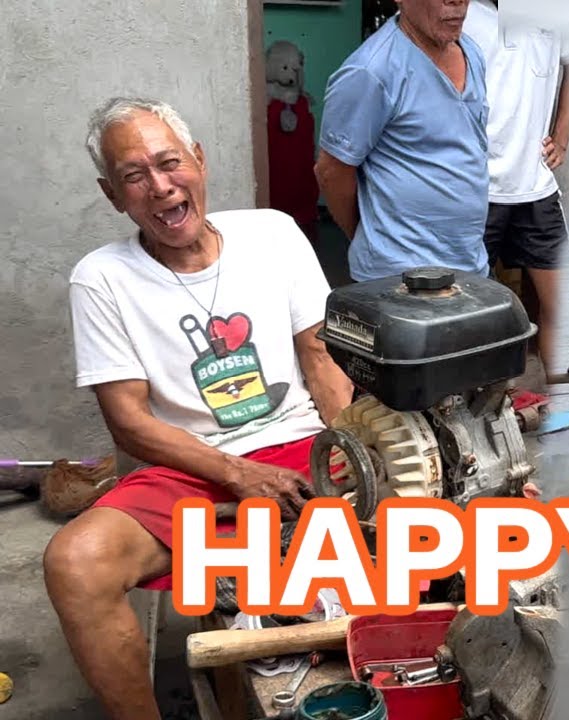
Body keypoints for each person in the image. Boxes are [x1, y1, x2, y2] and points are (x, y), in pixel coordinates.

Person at [46, 97, 356, 720]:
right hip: (191, 468)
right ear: (113, 195)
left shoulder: (273, 232)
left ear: (199, 161)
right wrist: (238, 474)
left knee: (452, 503)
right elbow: (129, 422)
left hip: (301, 444)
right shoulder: (100, 278)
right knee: (75, 562)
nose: (160, 187)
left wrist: (350, 448)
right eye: (134, 175)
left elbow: (321, 361)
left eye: (169, 163)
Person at [315, 0, 490, 283]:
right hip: (401, 280)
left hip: (470, 267)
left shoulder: (471, 52)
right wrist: (371, 237)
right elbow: (331, 172)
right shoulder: (370, 71)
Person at [463, 0, 569, 380]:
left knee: (560, 304)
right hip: (475, 190)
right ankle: (475, 404)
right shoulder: (462, 14)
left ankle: (562, 403)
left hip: (536, 188)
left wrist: (561, 135)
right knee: (467, 315)